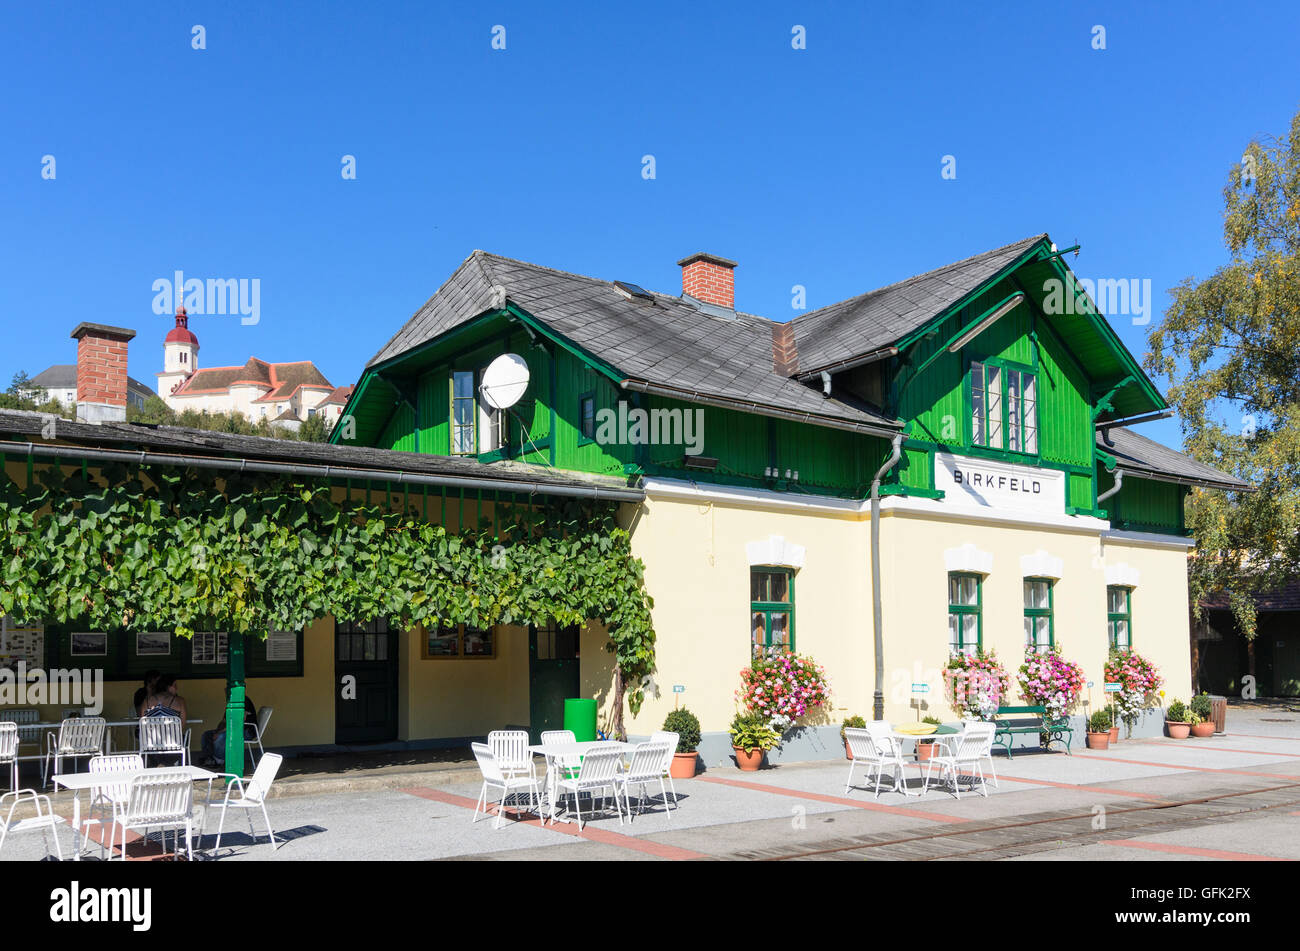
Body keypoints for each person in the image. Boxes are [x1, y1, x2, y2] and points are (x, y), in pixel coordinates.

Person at [200, 692, 258, 769]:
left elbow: (238, 723)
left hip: (247, 731)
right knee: (207, 734)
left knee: (221, 737)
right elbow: (224, 721)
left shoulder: (243, 701)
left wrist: (219, 733)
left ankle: (219, 761)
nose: (227, 693)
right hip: (234, 729)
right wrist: (218, 730)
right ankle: (209, 758)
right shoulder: (231, 702)